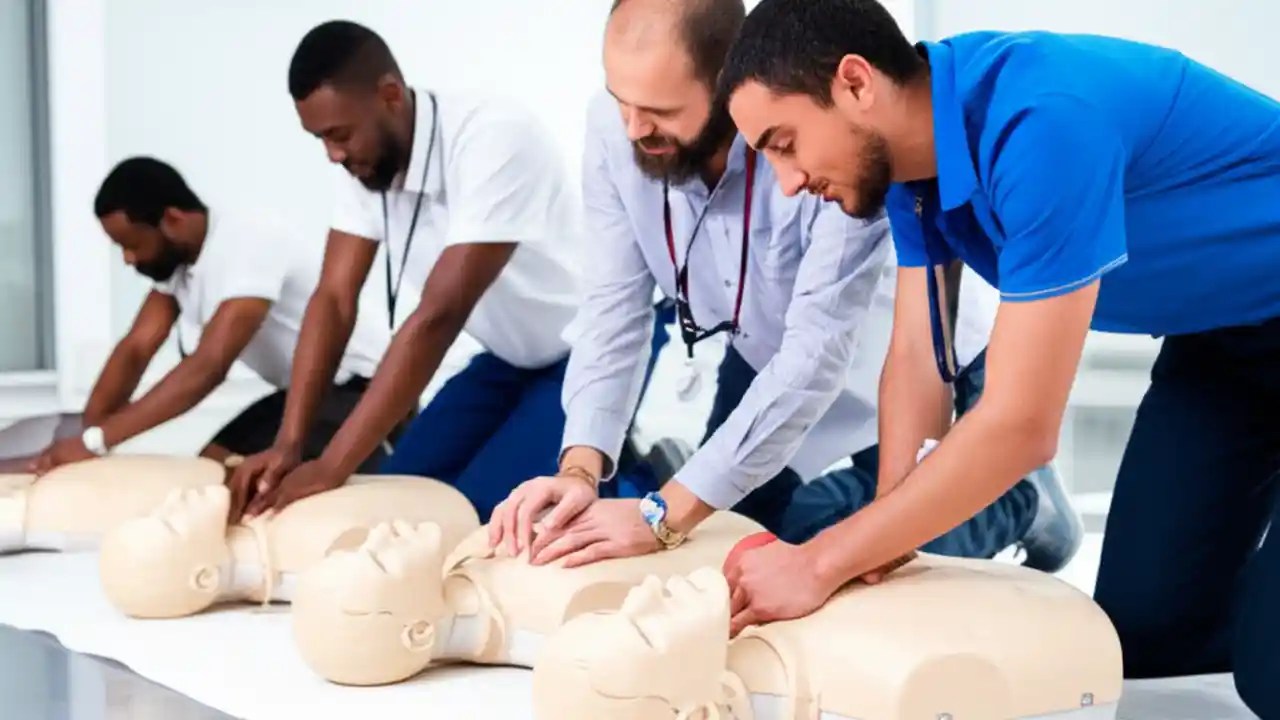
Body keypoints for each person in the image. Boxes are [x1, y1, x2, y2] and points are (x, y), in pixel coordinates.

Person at [717, 1, 1280, 715]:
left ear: (856, 83)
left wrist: (820, 561)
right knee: (1143, 637)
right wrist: (878, 550)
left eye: (784, 143)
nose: (788, 181)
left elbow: (1020, 426)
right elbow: (918, 359)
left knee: (1270, 673)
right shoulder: (913, 169)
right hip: (1225, 340)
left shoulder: (1043, 121)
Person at [487, 0, 1079, 577]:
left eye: (660, 110)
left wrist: (663, 512)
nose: (634, 128)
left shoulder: (827, 142)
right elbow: (613, 308)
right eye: (621, 101)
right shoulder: (619, 127)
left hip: (907, 353)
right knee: (727, 545)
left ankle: (1019, 501)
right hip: (765, 350)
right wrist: (580, 470)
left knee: (885, 551)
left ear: (730, 80)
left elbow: (817, 353)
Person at [225, 21, 587, 525]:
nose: (333, 154)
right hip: (508, 359)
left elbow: (441, 313)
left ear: (390, 95)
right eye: (320, 139)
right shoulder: (364, 164)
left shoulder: (494, 137)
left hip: (591, 352)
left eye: (339, 135)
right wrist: (290, 444)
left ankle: (636, 476)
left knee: (484, 511)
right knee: (398, 491)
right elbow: (334, 299)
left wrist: (331, 465)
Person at [30, 157, 386, 474]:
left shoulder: (246, 240)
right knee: (210, 466)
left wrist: (96, 442)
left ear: (172, 219)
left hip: (363, 390)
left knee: (233, 480)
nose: (128, 259)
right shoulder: (179, 262)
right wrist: (88, 432)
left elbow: (209, 366)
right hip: (304, 393)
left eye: (133, 245)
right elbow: (137, 347)